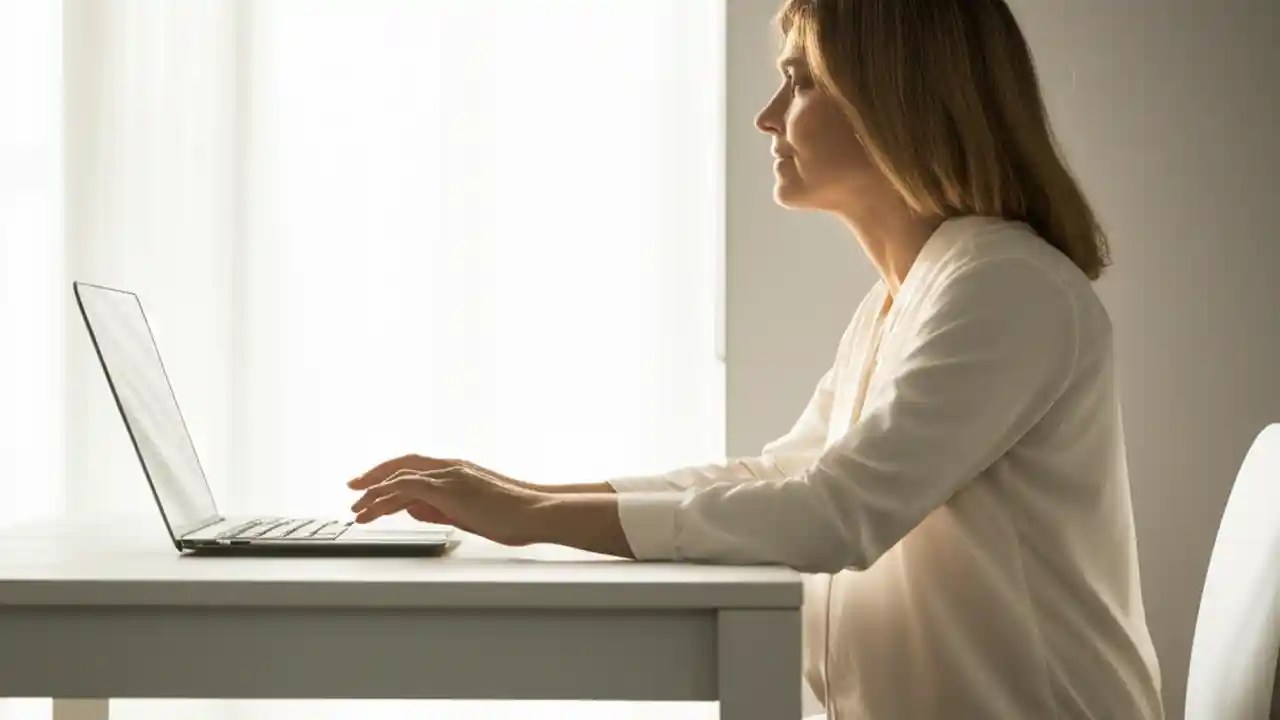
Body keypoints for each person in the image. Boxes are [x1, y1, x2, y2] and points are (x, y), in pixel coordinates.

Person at [345, 0, 1165, 717]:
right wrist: (518, 493)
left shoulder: (1004, 288)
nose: (769, 116)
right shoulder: (913, 293)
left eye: (802, 82)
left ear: (896, 103)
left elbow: (832, 515)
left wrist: (532, 520)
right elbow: (781, 477)